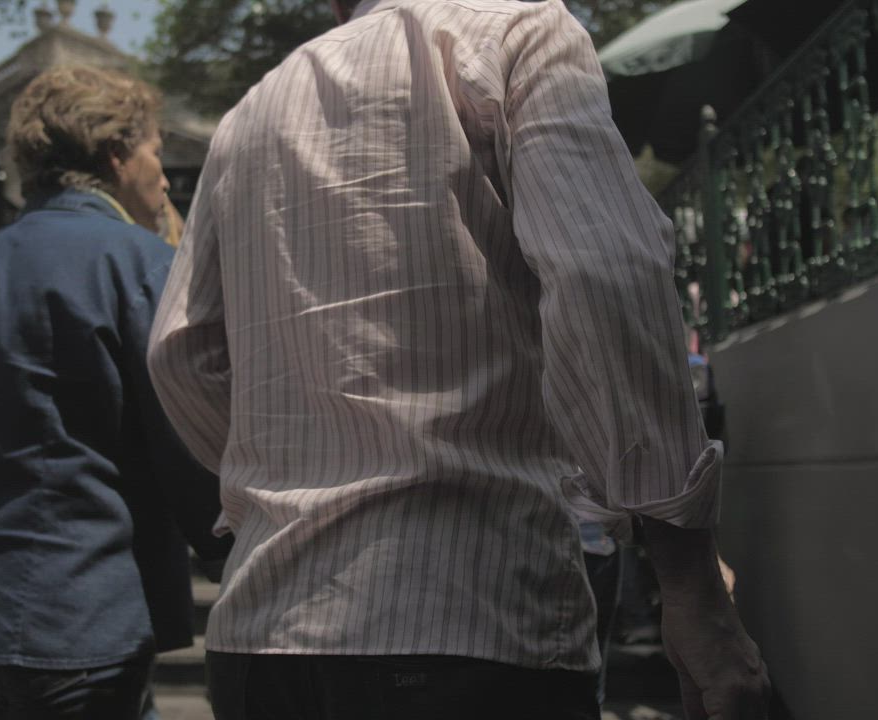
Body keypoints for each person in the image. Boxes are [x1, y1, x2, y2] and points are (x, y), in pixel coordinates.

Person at [146, 1, 770, 718]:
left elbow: (182, 356)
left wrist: (287, 479)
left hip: (262, 637)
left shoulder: (249, 112)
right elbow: (606, 272)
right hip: (469, 621)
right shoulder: (516, 31)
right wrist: (689, 577)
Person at [0, 66, 229, 720]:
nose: (164, 178)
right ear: (114, 155)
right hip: (82, 615)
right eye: (155, 154)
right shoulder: (139, 262)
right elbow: (187, 432)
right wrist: (230, 548)